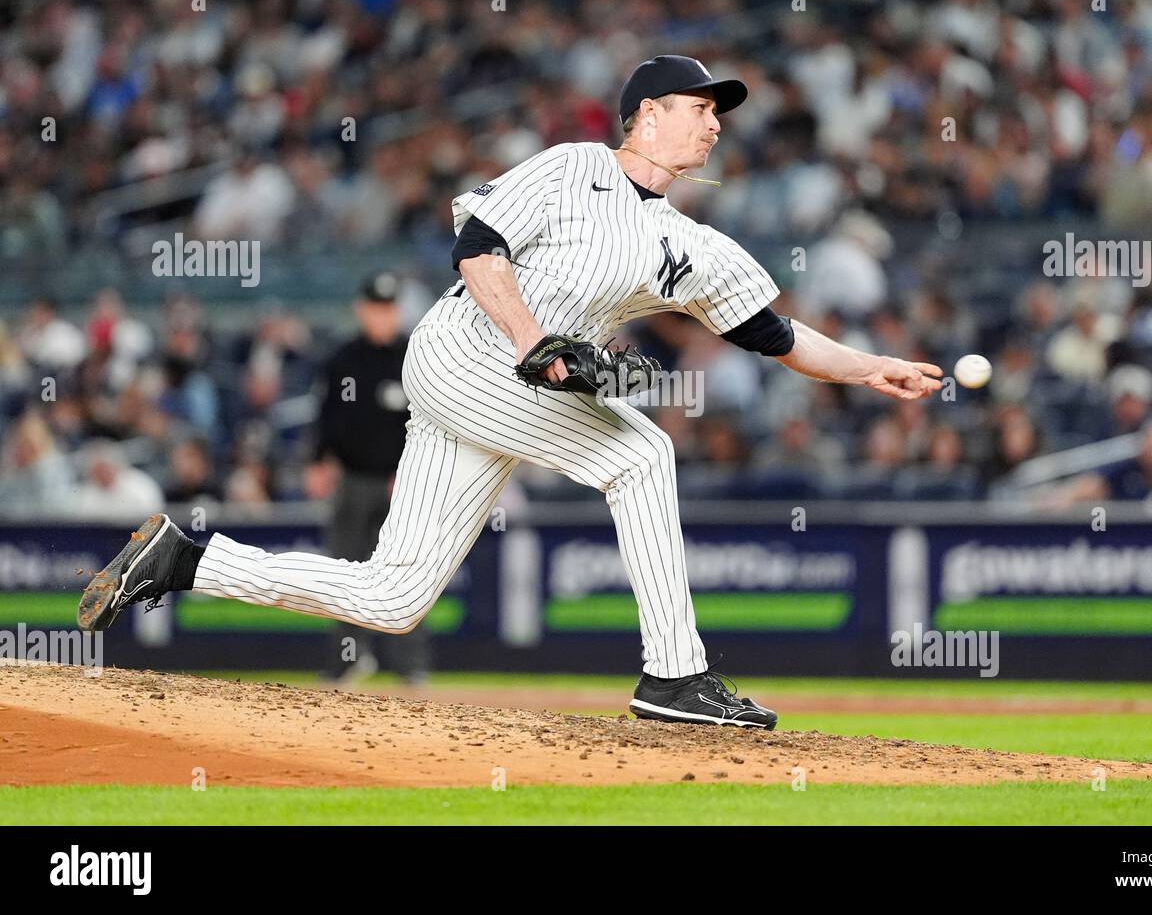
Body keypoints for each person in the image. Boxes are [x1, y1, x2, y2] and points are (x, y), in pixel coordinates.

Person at [77, 55, 942, 729]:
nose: (714, 124)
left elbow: (779, 337)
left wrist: (870, 367)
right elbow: (479, 248)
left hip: (508, 389)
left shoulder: (690, 245)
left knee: (395, 598)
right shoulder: (574, 169)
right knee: (640, 454)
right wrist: (535, 343)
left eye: (719, 113)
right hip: (463, 353)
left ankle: (185, 559)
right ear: (647, 114)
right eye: (700, 107)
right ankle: (675, 674)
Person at [306, 271, 431, 683]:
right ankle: (349, 659)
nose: (383, 317)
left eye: (389, 309)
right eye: (376, 309)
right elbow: (326, 417)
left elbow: (429, 422)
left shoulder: (414, 355)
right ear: (362, 310)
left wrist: (410, 475)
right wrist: (319, 461)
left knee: (404, 573)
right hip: (353, 481)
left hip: (401, 487)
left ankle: (408, 666)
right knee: (344, 572)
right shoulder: (343, 358)